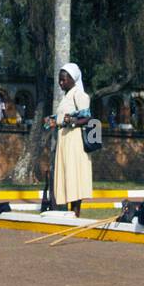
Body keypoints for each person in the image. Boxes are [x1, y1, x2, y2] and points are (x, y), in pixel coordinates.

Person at [43, 63, 94, 217]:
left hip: (75, 140)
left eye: (64, 80)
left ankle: (76, 212)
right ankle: (70, 213)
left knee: (74, 174)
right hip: (64, 139)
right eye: (59, 80)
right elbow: (64, 116)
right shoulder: (67, 96)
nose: (61, 83)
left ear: (73, 79)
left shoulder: (79, 94)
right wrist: (52, 120)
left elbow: (87, 117)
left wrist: (68, 121)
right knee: (66, 174)